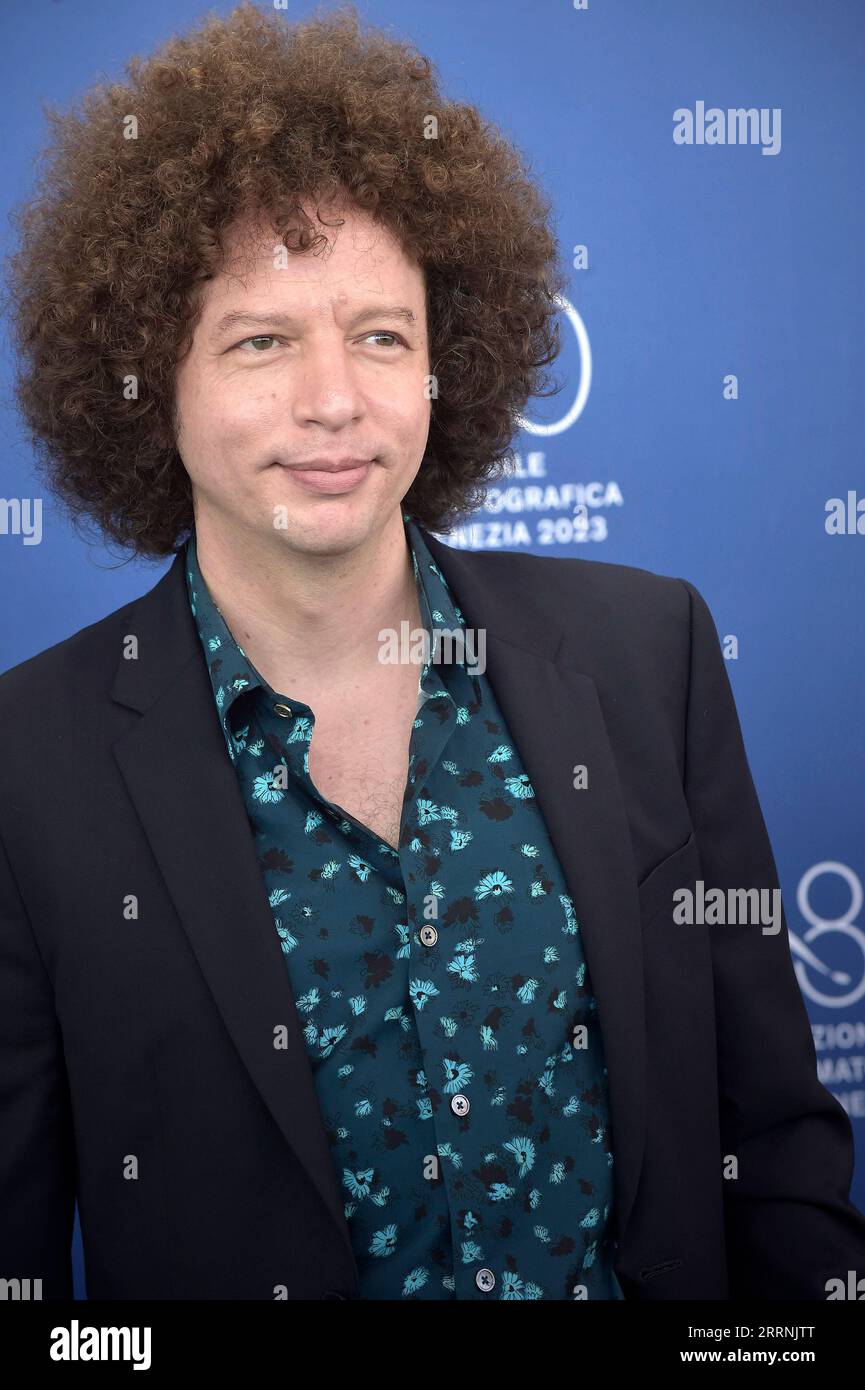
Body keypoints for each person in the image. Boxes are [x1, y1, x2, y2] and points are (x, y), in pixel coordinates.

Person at [1, 2, 863, 1302]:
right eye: (260, 340)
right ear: (142, 376)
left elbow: (775, 1153)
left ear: (445, 359)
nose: (333, 398)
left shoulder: (647, 654)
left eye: (380, 334)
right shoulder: (29, 765)